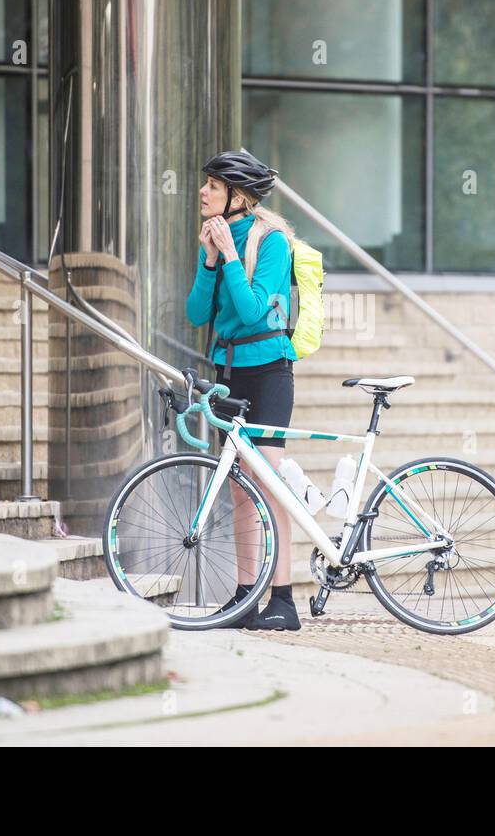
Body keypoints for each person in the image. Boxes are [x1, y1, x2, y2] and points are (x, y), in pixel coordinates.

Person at [184, 150, 301, 631]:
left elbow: (254, 311)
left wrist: (230, 256)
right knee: (237, 488)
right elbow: (195, 314)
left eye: (211, 185)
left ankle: (284, 599)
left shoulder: (271, 242)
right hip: (228, 373)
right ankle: (244, 596)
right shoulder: (213, 238)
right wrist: (210, 261)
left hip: (270, 372)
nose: (202, 192)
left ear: (236, 195)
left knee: (269, 484)